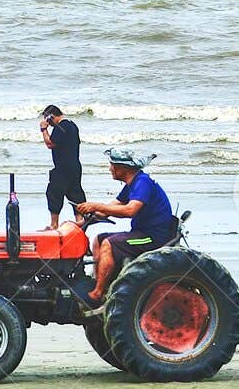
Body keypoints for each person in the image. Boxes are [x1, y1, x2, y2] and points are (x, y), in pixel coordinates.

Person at [77, 147, 178, 309]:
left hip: (153, 237)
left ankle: (97, 294)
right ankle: (99, 284)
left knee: (110, 243)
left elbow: (130, 210)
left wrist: (96, 205)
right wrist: (80, 224)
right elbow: (110, 208)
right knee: (99, 239)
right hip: (140, 232)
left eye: (112, 165)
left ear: (122, 168)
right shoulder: (131, 184)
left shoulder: (142, 182)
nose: (110, 169)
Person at [38, 104, 84, 231]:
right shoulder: (72, 126)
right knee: (75, 193)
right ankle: (80, 222)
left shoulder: (61, 127)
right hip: (75, 166)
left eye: (48, 119)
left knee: (54, 193)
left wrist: (44, 130)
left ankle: (54, 224)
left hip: (62, 167)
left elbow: (50, 143)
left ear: (51, 117)